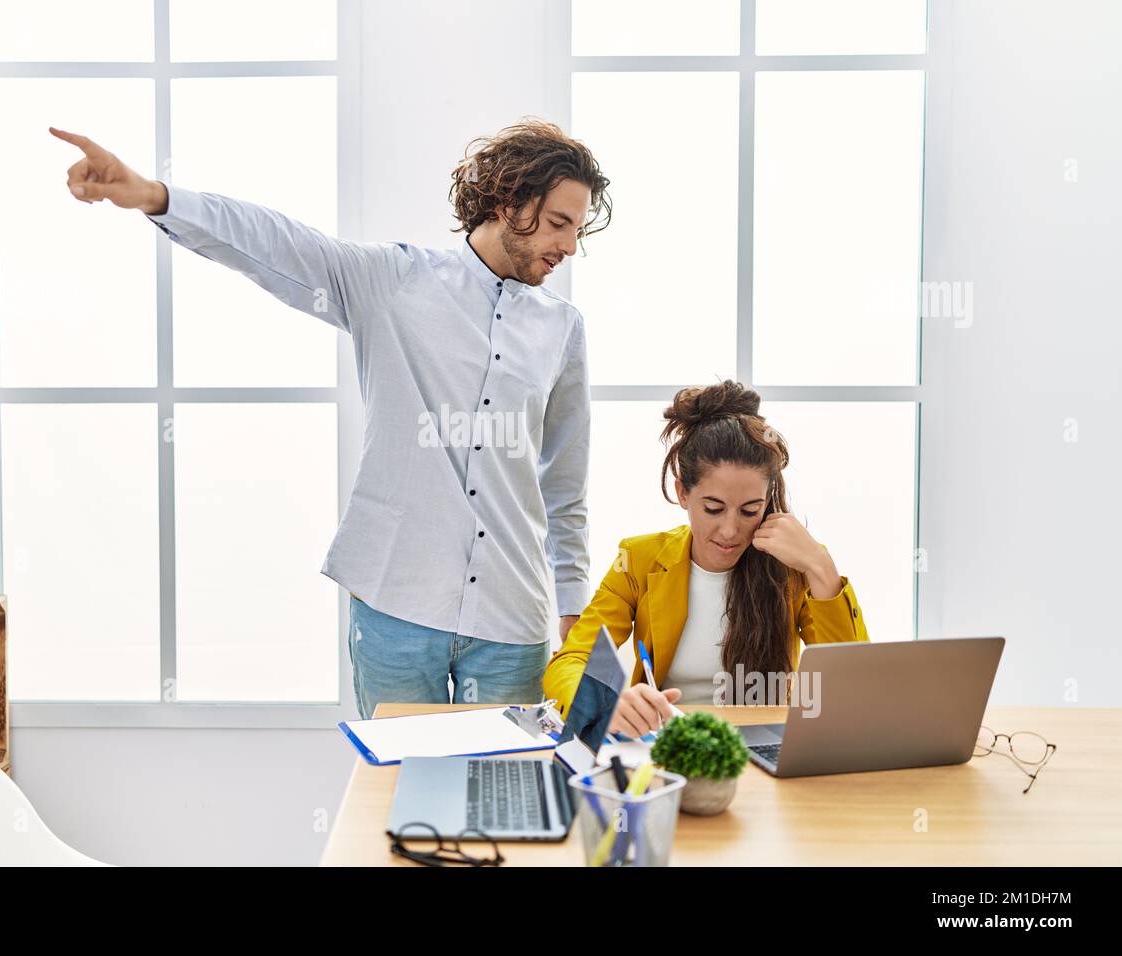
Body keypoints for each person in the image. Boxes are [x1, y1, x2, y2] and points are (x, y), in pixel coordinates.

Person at [51, 119, 612, 718]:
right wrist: (155, 196)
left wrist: (573, 619)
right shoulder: (393, 281)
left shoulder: (563, 329)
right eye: (559, 224)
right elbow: (278, 242)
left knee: (500, 795)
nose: (569, 247)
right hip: (396, 606)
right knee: (397, 793)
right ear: (508, 199)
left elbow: (564, 487)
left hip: (511, 618)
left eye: (577, 230)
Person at [543, 380, 870, 737]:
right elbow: (571, 660)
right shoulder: (639, 559)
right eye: (713, 508)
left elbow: (854, 686)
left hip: (763, 741)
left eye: (750, 510)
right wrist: (604, 703)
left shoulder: (789, 567)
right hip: (667, 744)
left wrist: (820, 566)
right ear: (683, 492)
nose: (730, 530)